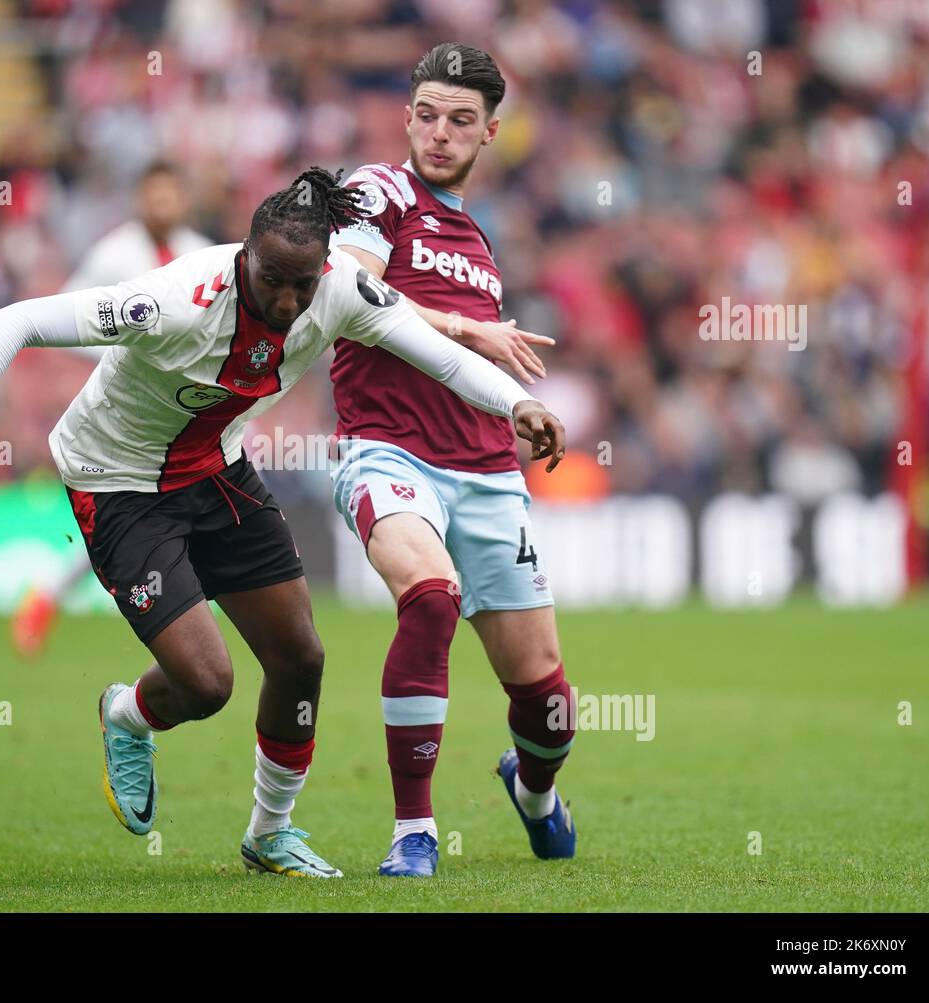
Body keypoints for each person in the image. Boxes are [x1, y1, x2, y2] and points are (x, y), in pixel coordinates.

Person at [0, 167, 566, 878]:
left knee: (300, 656)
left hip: (215, 468)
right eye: (273, 279)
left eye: (303, 284)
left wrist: (516, 403)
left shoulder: (340, 289)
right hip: (118, 481)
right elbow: (16, 321)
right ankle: (126, 714)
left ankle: (270, 833)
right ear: (246, 256)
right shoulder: (173, 301)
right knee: (208, 685)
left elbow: (441, 358)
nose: (288, 300)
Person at [329, 44, 577, 877]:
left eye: (461, 120)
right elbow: (351, 294)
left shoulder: (476, 239)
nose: (440, 133)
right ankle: (414, 830)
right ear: (407, 118)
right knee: (430, 597)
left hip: (487, 472)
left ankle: (534, 792)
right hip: (388, 451)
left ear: (489, 132)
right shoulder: (378, 192)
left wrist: (513, 406)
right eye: (428, 115)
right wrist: (471, 329)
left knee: (548, 704)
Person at [12, 161, 213, 657]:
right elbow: (66, 314)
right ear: (140, 200)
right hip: (131, 415)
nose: (162, 204)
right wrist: (121, 358)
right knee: (125, 516)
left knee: (188, 511)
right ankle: (51, 596)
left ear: (183, 201)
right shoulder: (113, 254)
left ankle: (199, 607)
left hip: (193, 415)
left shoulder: (200, 253)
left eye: (170, 195)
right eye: (154, 195)